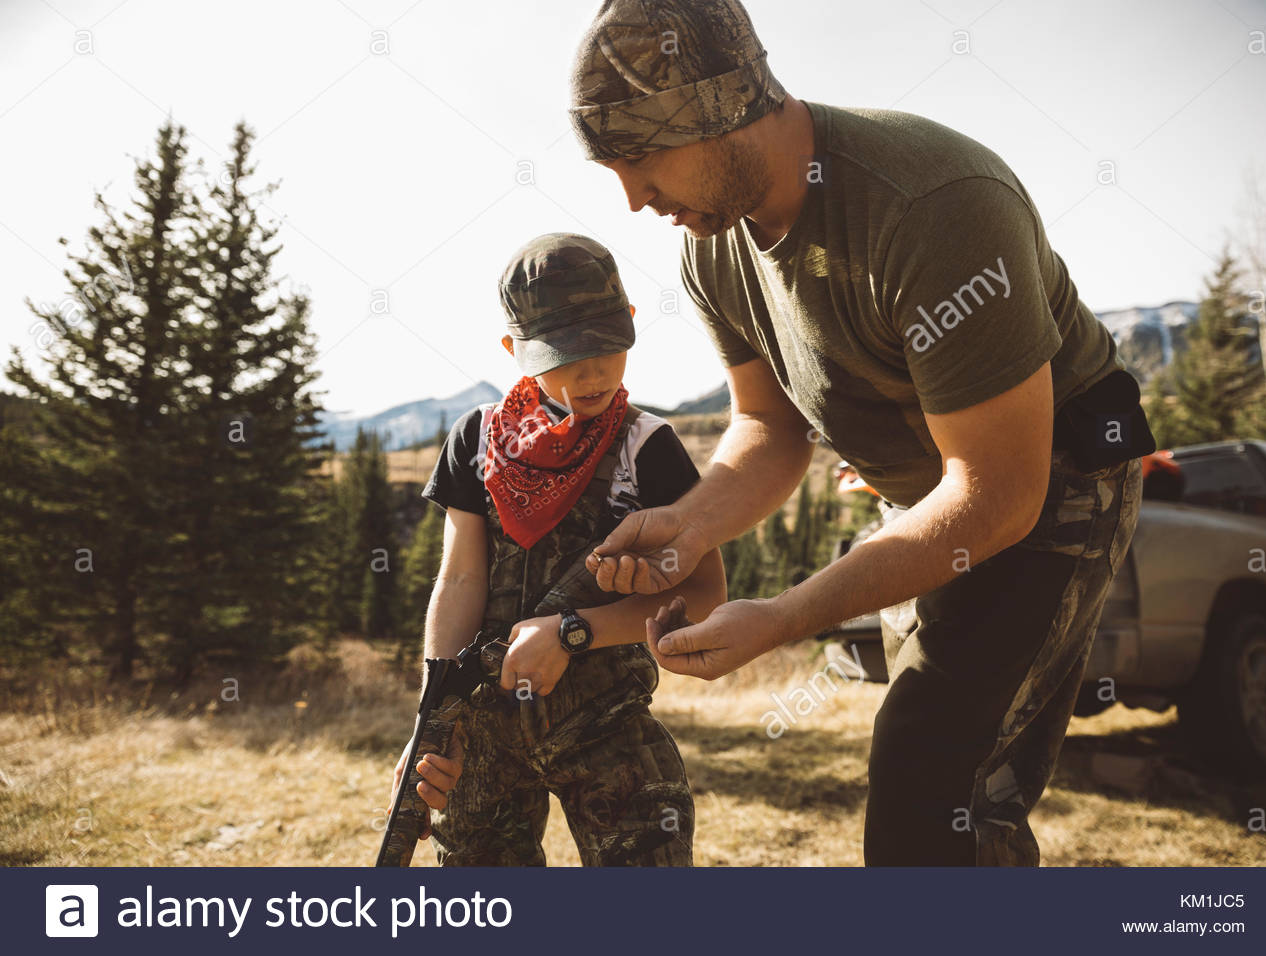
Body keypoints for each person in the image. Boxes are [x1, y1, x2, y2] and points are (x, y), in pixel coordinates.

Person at [568, 0, 1154, 865]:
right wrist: (689, 525)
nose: (632, 200)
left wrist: (785, 616)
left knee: (934, 788)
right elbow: (769, 426)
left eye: (643, 157)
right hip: (931, 501)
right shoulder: (713, 248)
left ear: (724, 104)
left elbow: (997, 495)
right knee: (923, 771)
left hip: (1054, 480)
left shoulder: (934, 205)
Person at [389, 232, 724, 866]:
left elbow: (704, 595)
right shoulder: (476, 438)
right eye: (565, 354)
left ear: (629, 322)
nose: (592, 372)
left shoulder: (647, 447)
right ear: (515, 350)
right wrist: (433, 724)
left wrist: (571, 632)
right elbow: (459, 583)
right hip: (481, 737)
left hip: (608, 728)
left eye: (605, 345)